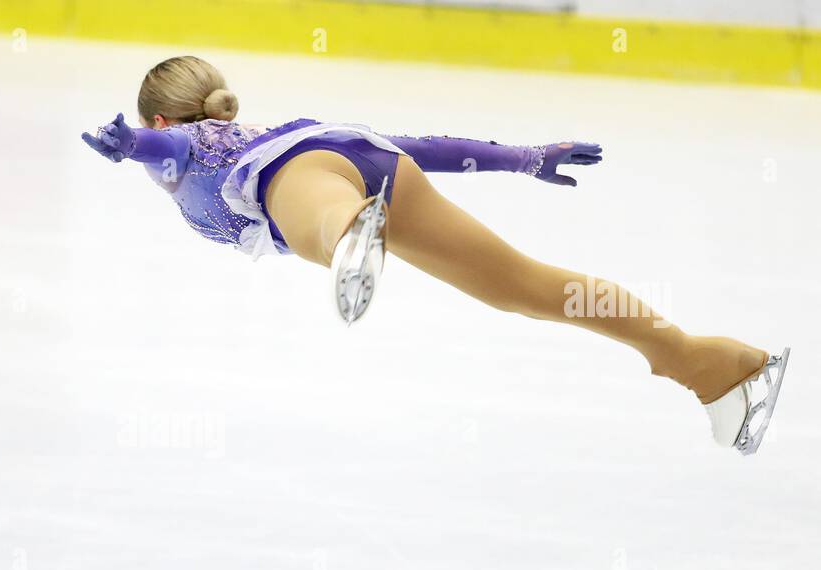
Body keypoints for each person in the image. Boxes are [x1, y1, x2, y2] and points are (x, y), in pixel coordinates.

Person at [82, 56, 789, 454]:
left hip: (314, 180)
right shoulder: (242, 131)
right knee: (524, 288)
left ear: (161, 116)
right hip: (372, 160)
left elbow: (173, 148)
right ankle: (706, 363)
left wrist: (130, 148)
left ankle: (350, 232)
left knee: (305, 214)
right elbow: (411, 149)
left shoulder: (186, 145)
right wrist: (519, 157)